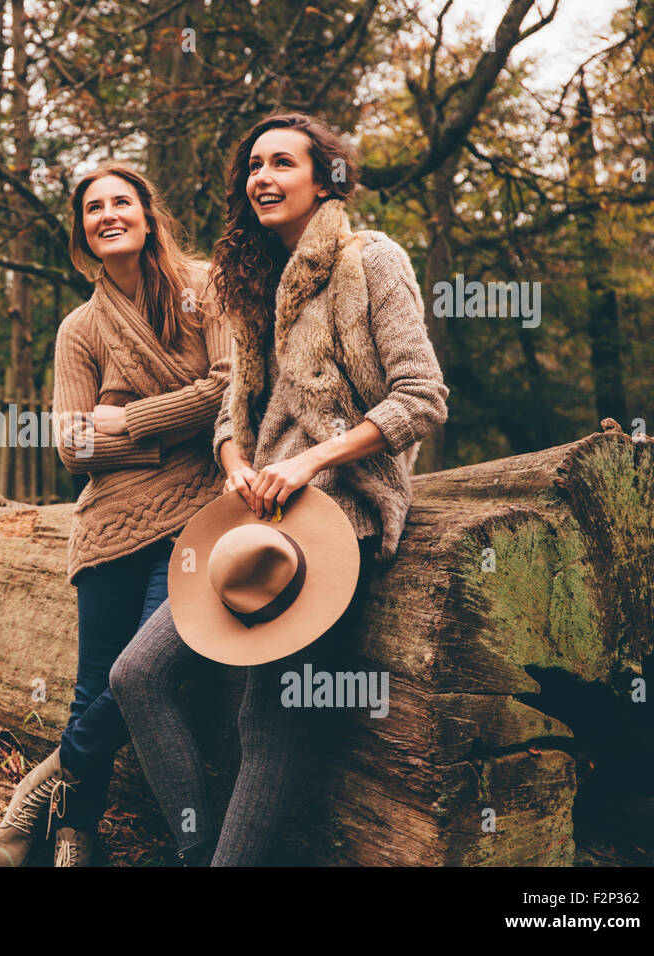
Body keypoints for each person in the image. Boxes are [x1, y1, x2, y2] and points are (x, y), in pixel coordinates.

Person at [109, 112, 450, 866]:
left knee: (271, 716)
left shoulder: (371, 261)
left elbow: (422, 395)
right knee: (137, 674)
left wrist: (310, 461)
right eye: (253, 166)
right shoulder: (254, 281)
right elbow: (234, 412)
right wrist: (233, 461)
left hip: (339, 518)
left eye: (282, 164)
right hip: (252, 519)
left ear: (324, 178)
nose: (262, 177)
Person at [0, 164, 231, 866]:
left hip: (200, 513)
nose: (108, 214)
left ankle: (39, 791)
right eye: (94, 208)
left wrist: (129, 418)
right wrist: (164, 433)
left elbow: (229, 386)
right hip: (108, 523)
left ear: (148, 216)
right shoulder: (79, 329)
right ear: (83, 231)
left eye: (122, 201)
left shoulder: (203, 287)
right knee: (94, 684)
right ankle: (73, 834)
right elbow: (71, 446)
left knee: (137, 674)